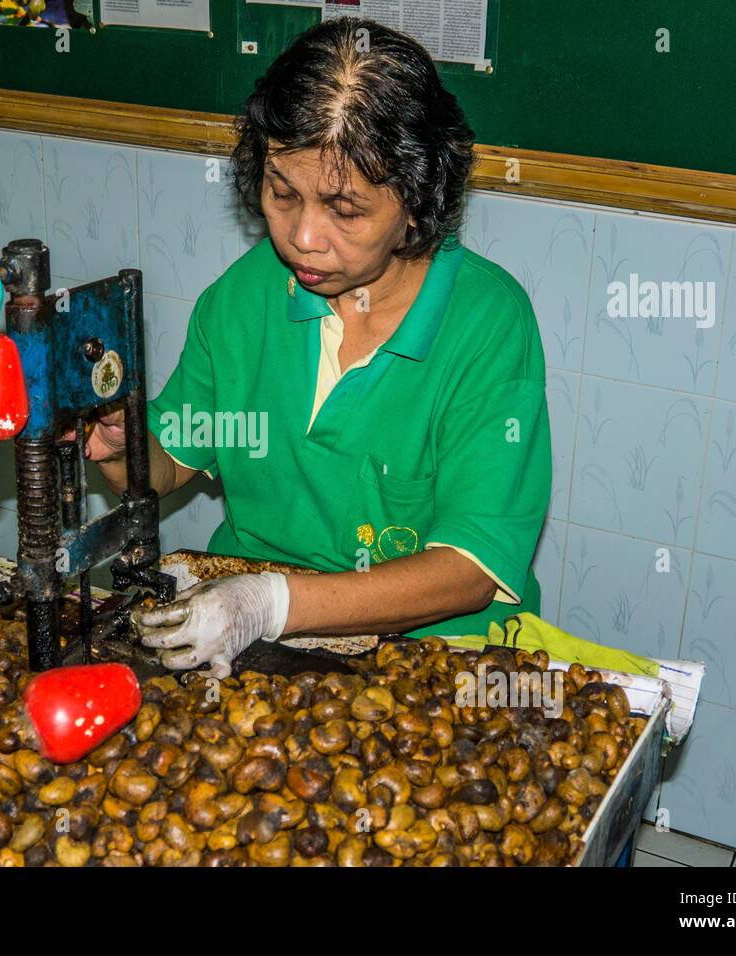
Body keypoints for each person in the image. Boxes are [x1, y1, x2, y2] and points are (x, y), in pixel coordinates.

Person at [81, 18, 551, 677]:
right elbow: (169, 464)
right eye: (283, 194)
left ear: (418, 203)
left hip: (433, 656)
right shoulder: (247, 297)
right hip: (260, 642)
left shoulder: (487, 323)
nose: (303, 236)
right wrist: (116, 441)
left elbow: (469, 569)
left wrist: (272, 602)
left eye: (345, 209)